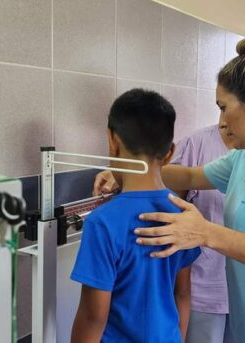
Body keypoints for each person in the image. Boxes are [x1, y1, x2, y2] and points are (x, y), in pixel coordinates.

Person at [94, 36, 245, 342]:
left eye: (224, 108)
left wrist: (206, 233)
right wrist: (125, 170)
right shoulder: (244, 158)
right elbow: (186, 176)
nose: (222, 122)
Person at [70, 89, 201, 343]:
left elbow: (92, 318)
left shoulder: (103, 222)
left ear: (112, 141)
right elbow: (183, 294)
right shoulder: (182, 215)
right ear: (170, 153)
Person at [170, 123, 235, 343]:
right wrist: (124, 174)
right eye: (222, 106)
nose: (225, 118)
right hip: (204, 291)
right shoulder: (195, 144)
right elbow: (170, 207)